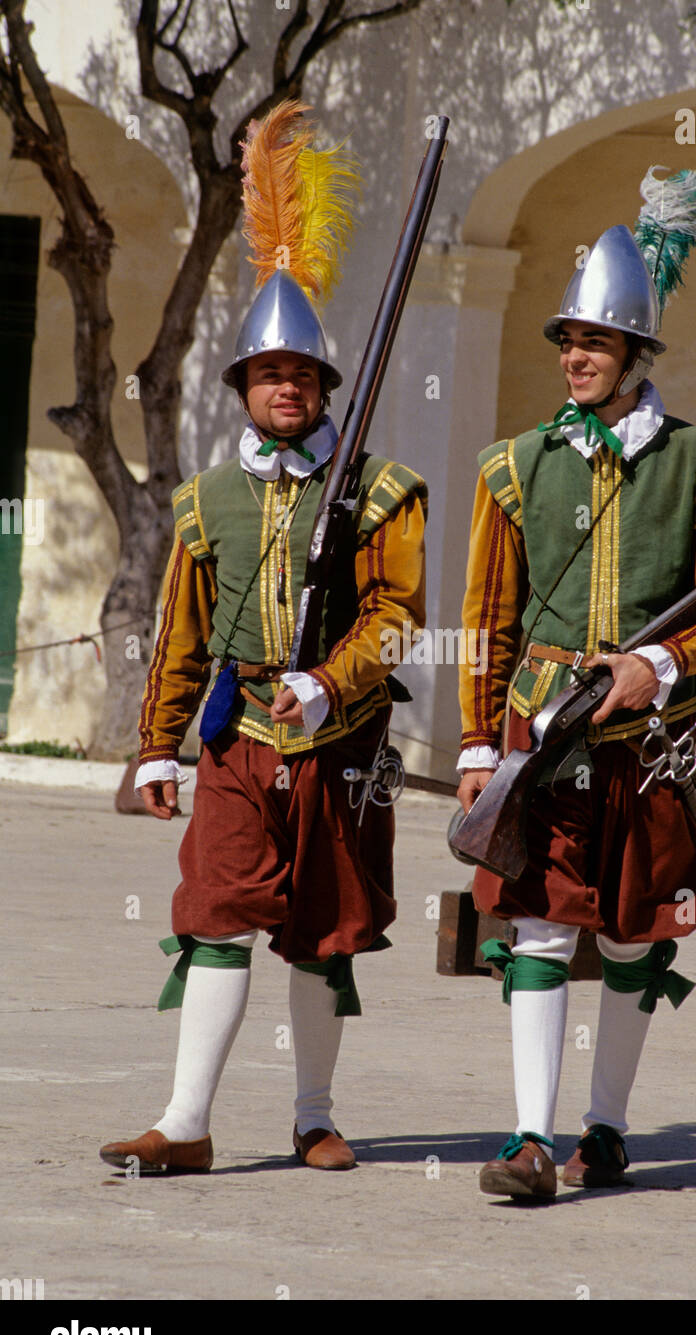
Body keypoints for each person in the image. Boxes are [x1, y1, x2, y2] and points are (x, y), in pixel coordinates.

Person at [456, 201, 696, 1199]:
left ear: (635, 351)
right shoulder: (512, 469)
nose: (576, 359)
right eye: (569, 342)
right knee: (538, 924)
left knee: (635, 930)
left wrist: (661, 662)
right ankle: (527, 1140)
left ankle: (608, 1128)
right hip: (539, 735)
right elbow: (487, 620)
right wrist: (473, 746)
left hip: (650, 739)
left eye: (596, 343)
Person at [98, 257, 426, 1176]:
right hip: (238, 737)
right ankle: (186, 1123)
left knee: (325, 932)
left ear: (325, 388)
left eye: (306, 374)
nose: (289, 387)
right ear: (243, 385)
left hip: (342, 740)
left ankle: (313, 1116)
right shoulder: (203, 499)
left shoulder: (381, 488)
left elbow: (399, 618)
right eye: (271, 373)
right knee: (216, 917)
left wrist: (330, 679)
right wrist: (158, 749)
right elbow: (180, 634)